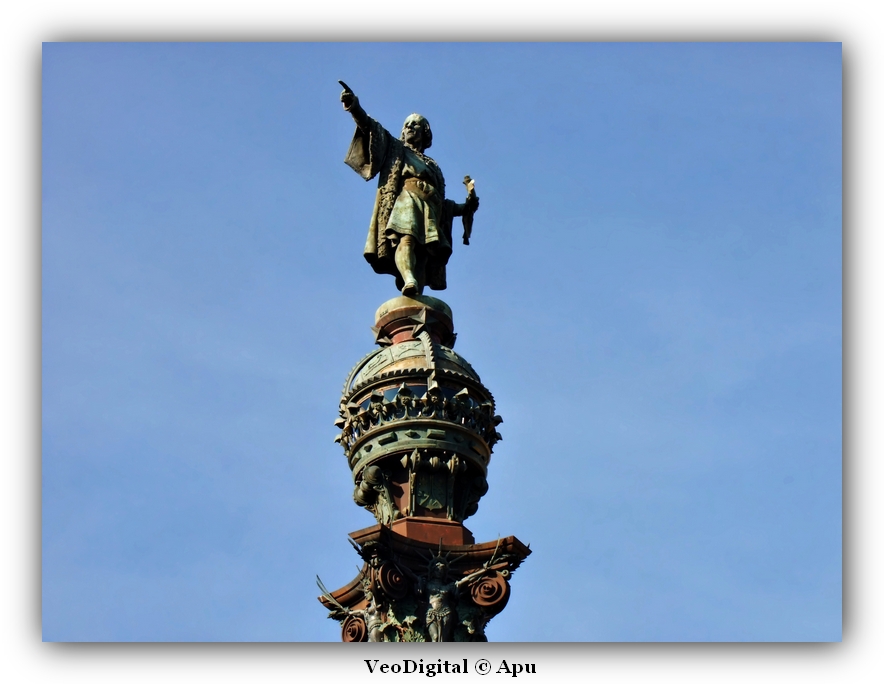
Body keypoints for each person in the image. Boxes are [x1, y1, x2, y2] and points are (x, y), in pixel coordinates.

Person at [340, 82, 478, 295]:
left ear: (425, 133)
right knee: (406, 238)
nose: (410, 127)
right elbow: (370, 128)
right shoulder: (396, 148)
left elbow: (444, 205)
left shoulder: (433, 165)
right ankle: (409, 279)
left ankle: (415, 287)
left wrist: (467, 206)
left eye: (416, 125)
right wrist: (355, 108)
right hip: (407, 200)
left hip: (430, 208)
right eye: (407, 125)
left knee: (424, 253)